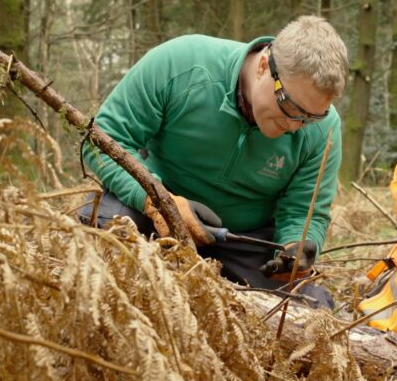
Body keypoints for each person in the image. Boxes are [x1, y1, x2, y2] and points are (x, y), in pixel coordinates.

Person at [78, 16, 347, 308]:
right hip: (155, 208)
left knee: (310, 309)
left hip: (246, 241)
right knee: (107, 231)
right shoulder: (181, 65)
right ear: (263, 66)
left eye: (312, 116)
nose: (297, 125)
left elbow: (304, 210)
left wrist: (297, 247)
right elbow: (103, 141)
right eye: (290, 107)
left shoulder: (324, 129)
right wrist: (156, 200)